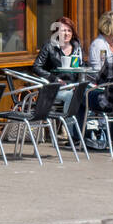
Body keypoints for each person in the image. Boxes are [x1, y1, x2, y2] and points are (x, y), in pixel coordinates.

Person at [31, 16, 86, 144]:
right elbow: (36, 67)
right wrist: (53, 78)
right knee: (71, 96)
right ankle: (71, 133)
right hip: (54, 88)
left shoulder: (76, 46)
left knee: (86, 94)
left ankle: (85, 133)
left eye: (69, 30)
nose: (66, 33)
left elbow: (82, 66)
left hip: (73, 85)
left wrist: (79, 83)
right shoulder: (49, 46)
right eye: (63, 30)